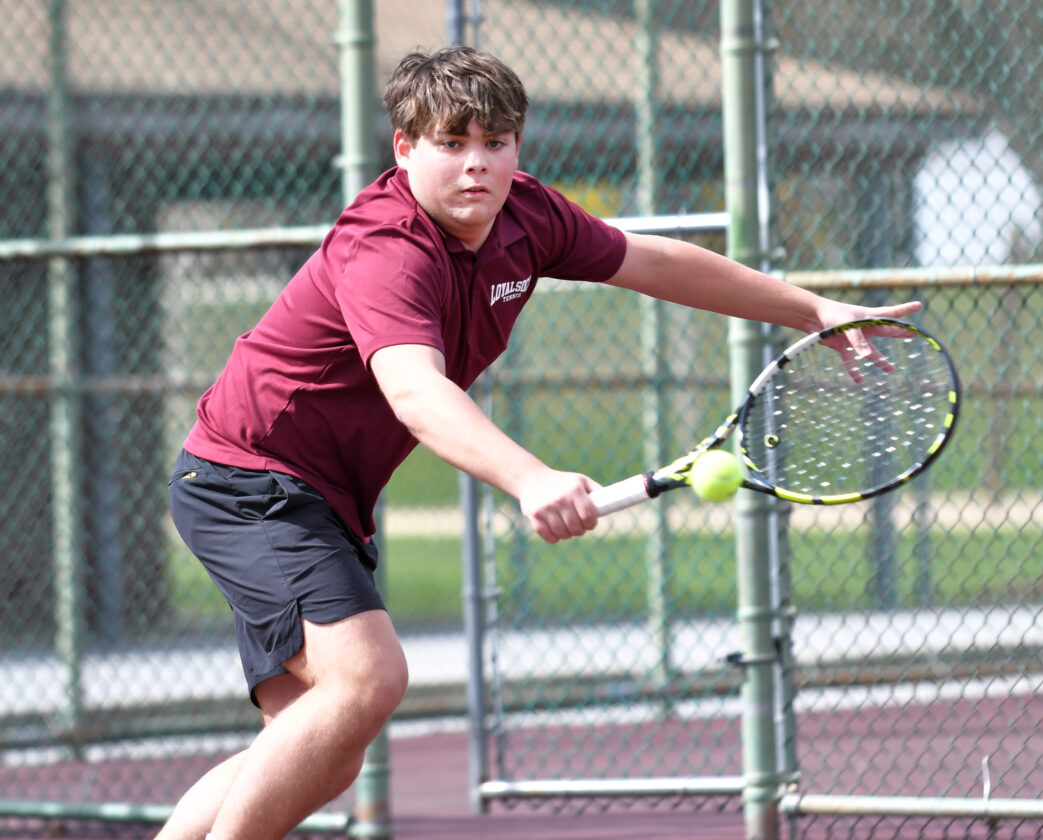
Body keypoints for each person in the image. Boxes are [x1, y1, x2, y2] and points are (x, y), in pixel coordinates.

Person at [160, 45, 921, 840]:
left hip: (319, 496)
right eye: (450, 144)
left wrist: (808, 309)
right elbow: (416, 392)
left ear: (517, 148)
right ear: (405, 150)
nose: (476, 165)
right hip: (253, 483)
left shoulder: (527, 216)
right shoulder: (387, 248)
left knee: (321, 737)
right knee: (366, 681)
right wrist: (528, 477)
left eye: (495, 143)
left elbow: (650, 260)